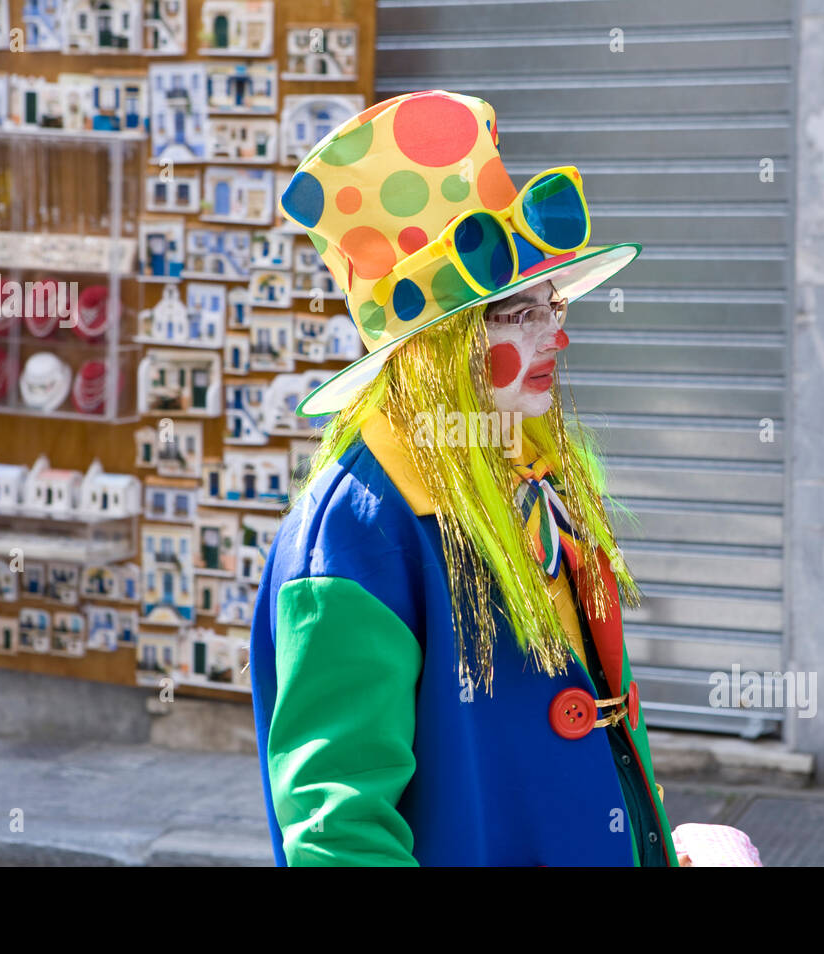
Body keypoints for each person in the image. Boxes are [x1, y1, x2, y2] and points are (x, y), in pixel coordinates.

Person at [250, 90, 678, 866]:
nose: (559, 330)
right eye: (518, 313)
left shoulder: (526, 467)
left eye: (550, 300)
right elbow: (339, 831)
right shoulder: (359, 531)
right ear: (435, 344)